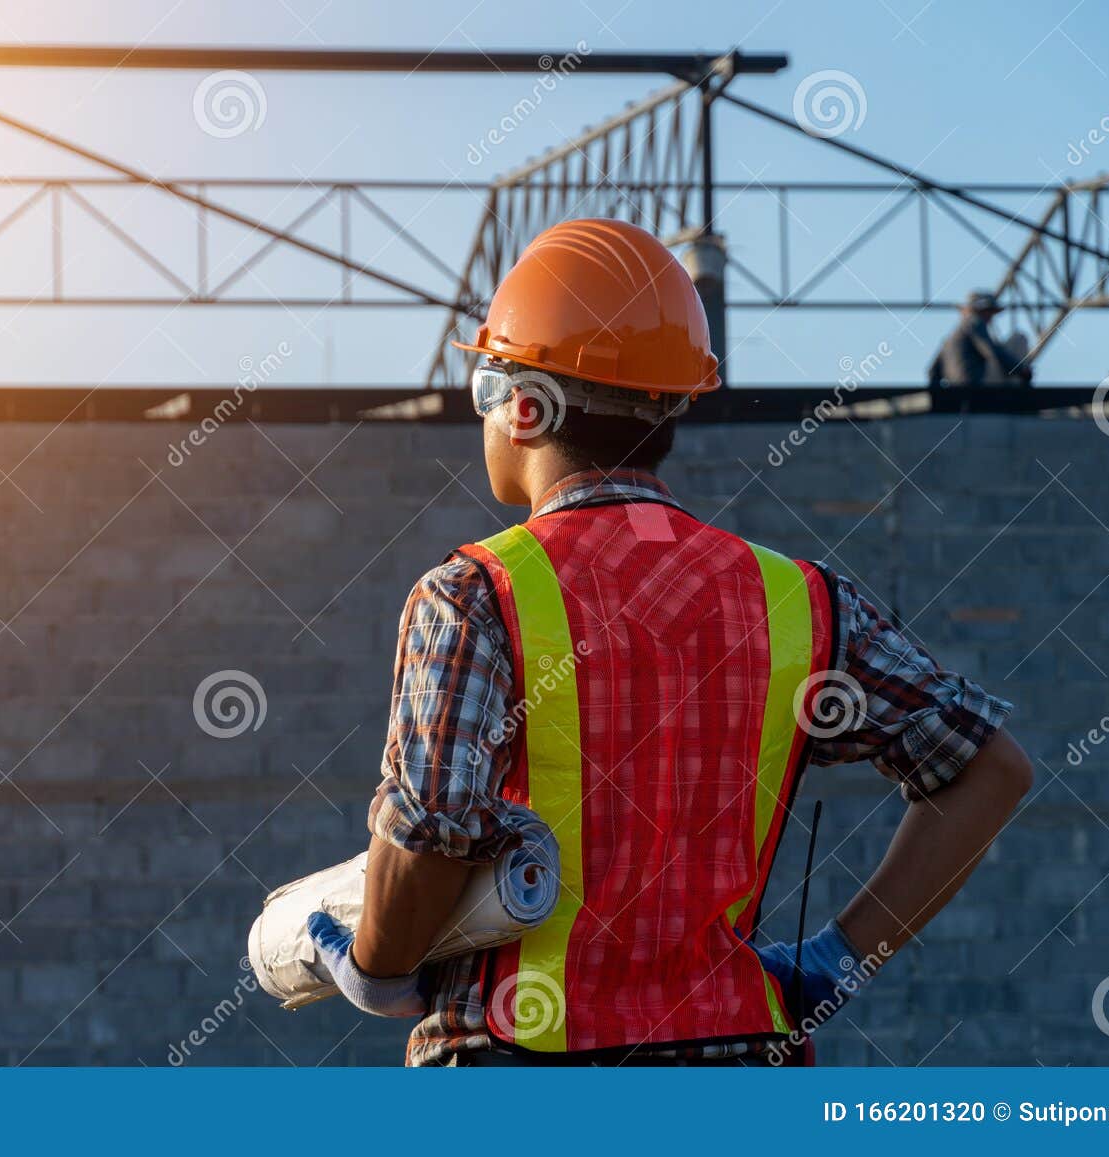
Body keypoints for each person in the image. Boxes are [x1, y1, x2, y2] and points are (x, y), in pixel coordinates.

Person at [307, 219, 1033, 1067]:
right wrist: (836, 957)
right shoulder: (800, 600)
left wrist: (372, 966)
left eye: (485, 387)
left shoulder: (474, 596)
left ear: (529, 405)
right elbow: (990, 769)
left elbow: (430, 834)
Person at [928, 291, 1032, 387]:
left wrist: (938, 397)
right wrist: (1021, 370)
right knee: (1019, 339)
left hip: (956, 391)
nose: (991, 317)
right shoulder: (974, 322)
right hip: (977, 386)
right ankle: (1015, 387)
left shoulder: (950, 339)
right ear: (979, 310)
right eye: (989, 311)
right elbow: (990, 351)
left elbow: (932, 371)